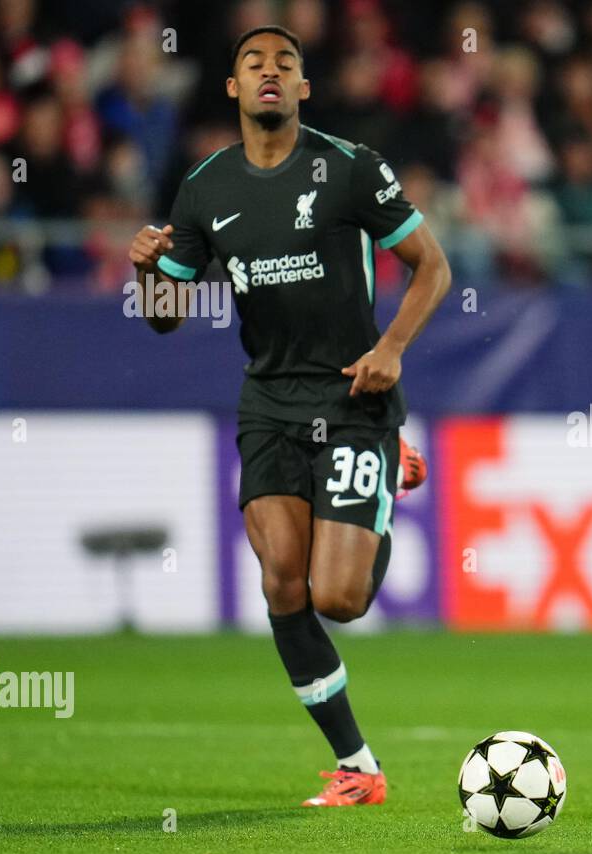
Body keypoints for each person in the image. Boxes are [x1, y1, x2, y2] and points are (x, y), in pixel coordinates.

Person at [127, 25, 450, 807]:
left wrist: (392, 348)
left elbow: (432, 268)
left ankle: (384, 474)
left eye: (285, 64)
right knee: (281, 582)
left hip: (353, 397)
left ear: (303, 87)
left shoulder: (349, 167)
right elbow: (165, 316)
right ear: (233, 87)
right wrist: (147, 273)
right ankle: (358, 767)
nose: (269, 72)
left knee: (340, 598)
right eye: (253, 63)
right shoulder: (205, 188)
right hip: (268, 403)